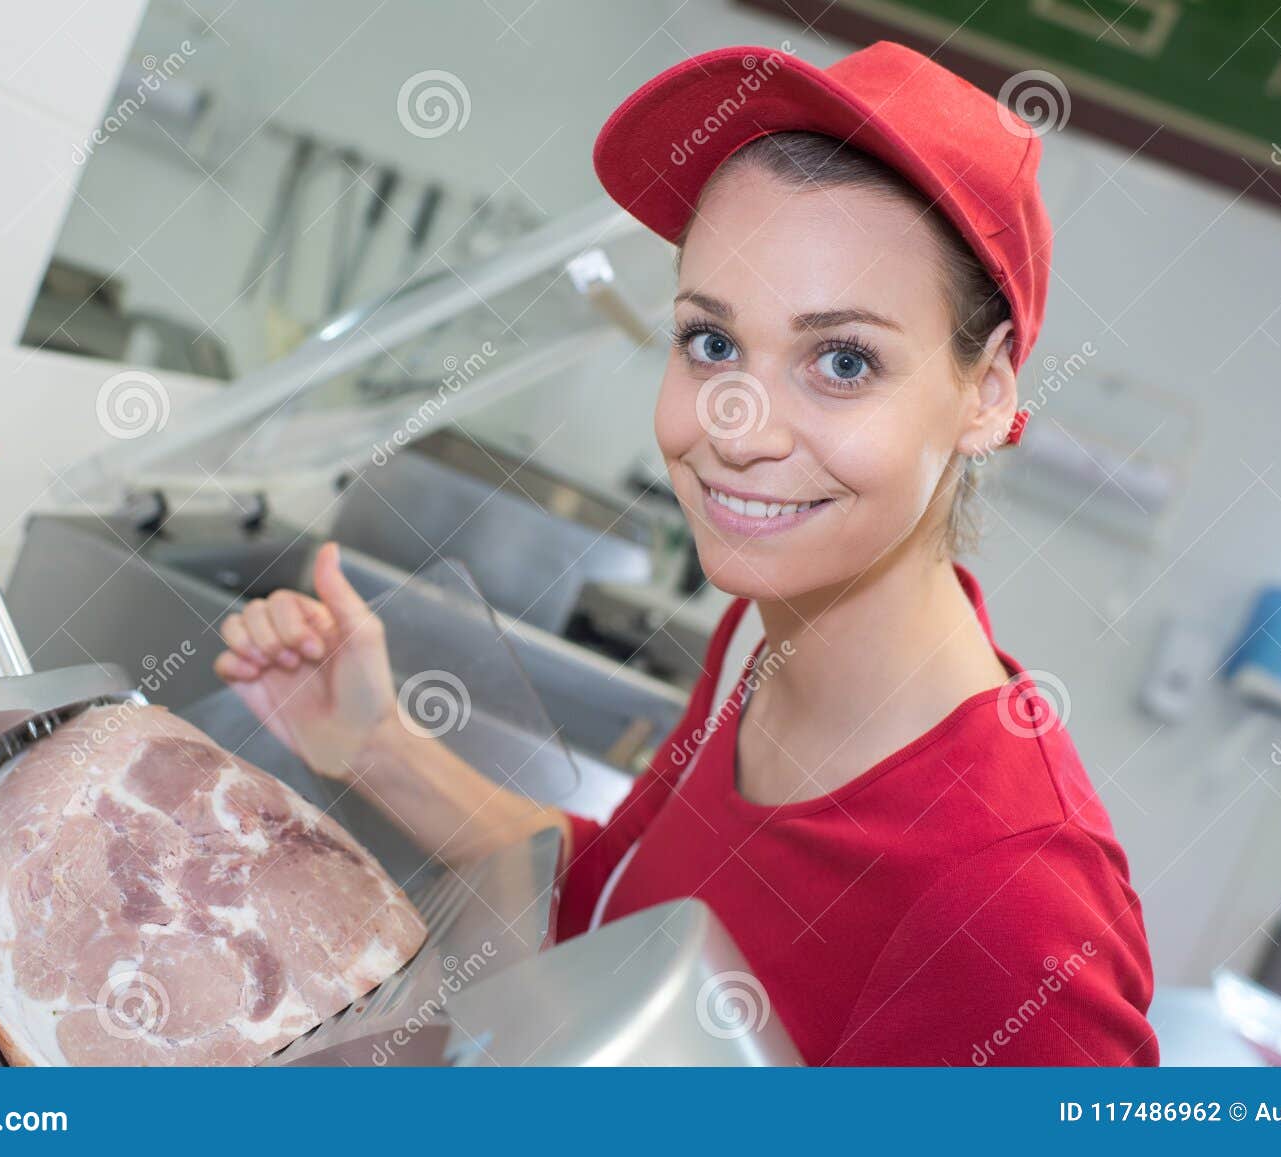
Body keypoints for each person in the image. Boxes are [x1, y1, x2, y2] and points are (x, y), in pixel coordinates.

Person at [213, 41, 1158, 1066]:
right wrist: (375, 745)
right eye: (711, 341)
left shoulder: (1015, 910)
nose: (738, 427)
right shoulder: (759, 635)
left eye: (842, 361)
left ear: (986, 394)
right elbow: (620, 917)